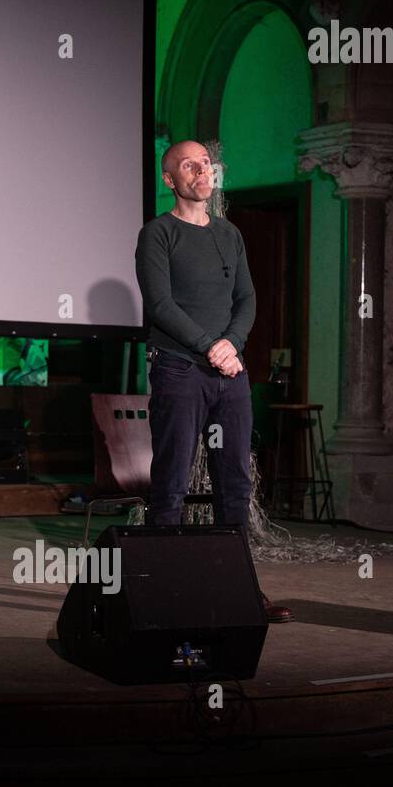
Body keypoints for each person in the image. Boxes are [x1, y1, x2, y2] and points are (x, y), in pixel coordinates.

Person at [135, 140, 293, 622]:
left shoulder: (230, 234)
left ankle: (239, 591)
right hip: (180, 370)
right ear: (170, 179)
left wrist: (231, 344)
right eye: (188, 165)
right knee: (171, 485)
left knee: (235, 485)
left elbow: (247, 299)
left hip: (231, 376)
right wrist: (210, 346)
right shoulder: (158, 234)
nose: (200, 171)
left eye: (205, 163)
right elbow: (160, 305)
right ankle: (163, 597)